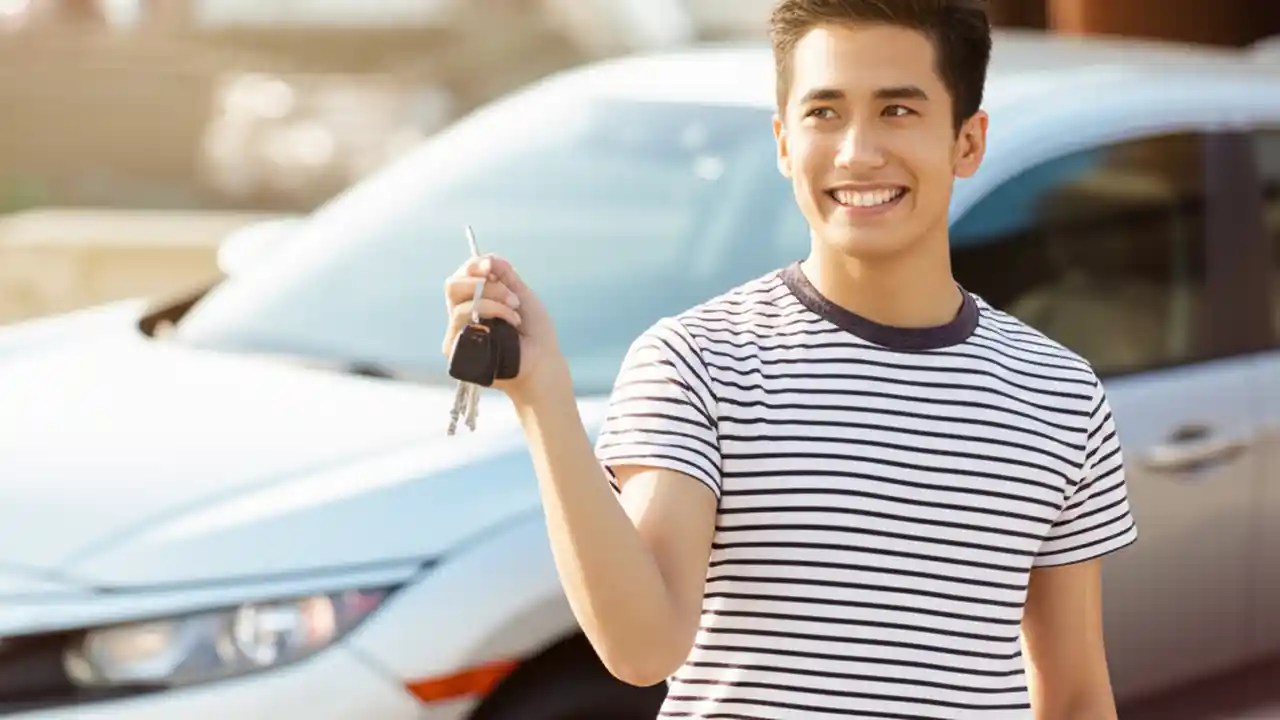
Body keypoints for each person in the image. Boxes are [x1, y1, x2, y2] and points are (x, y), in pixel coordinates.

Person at [441, 0, 1139, 716]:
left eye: (898, 111)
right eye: (824, 113)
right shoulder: (697, 363)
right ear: (782, 139)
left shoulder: (1058, 392)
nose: (857, 151)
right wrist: (541, 398)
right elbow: (642, 649)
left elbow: (1078, 692)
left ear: (967, 141)